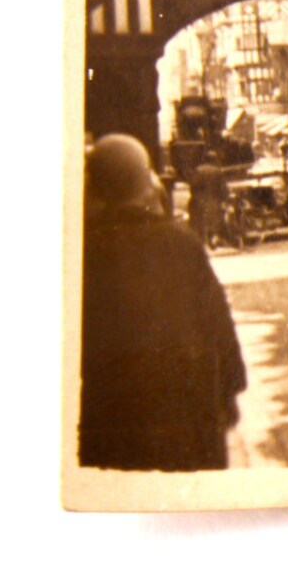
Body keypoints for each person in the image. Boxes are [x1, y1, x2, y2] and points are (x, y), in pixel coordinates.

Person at [80, 134, 246, 472]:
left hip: (115, 425)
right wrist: (230, 388)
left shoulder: (86, 251)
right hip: (187, 416)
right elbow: (217, 322)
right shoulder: (179, 244)